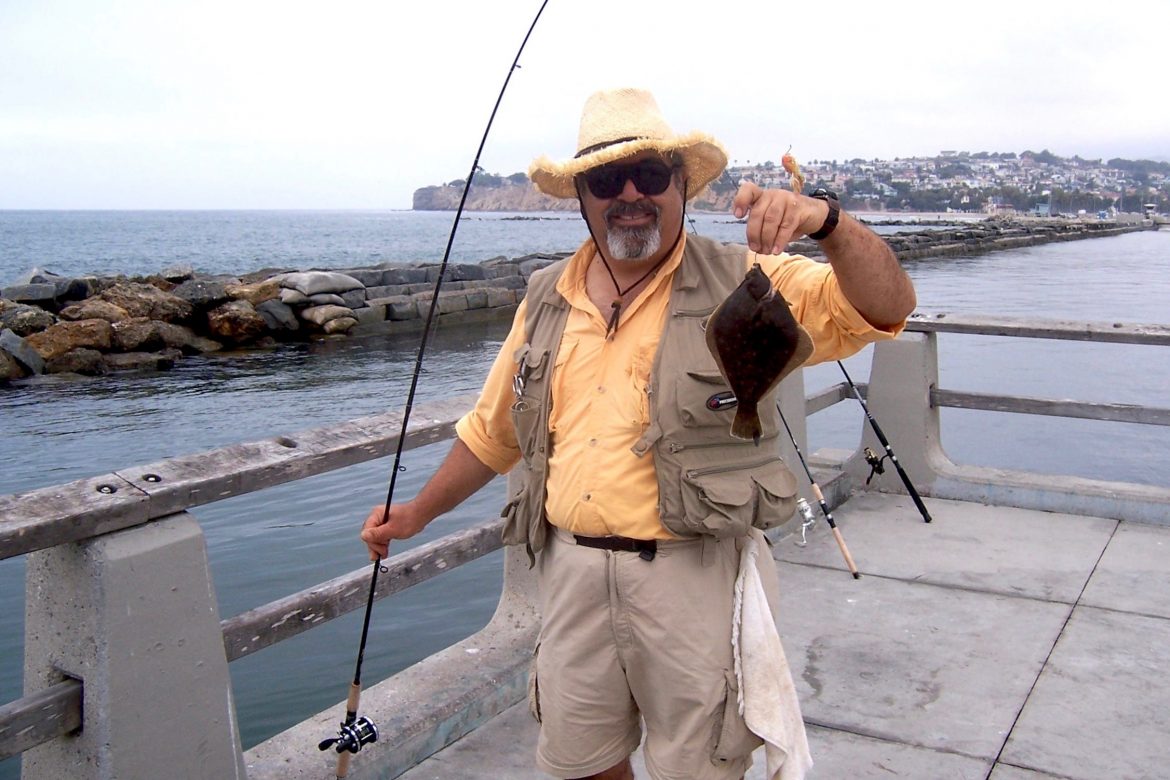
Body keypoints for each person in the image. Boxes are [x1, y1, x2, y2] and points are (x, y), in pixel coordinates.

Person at [361, 87, 916, 780]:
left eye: (651, 175)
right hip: (570, 577)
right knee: (581, 762)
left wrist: (827, 222)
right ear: (582, 195)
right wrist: (416, 512)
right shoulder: (544, 300)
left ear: (682, 184)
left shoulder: (750, 281)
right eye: (605, 179)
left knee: (702, 769)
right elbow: (495, 432)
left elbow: (886, 306)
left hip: (696, 578)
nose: (629, 193)